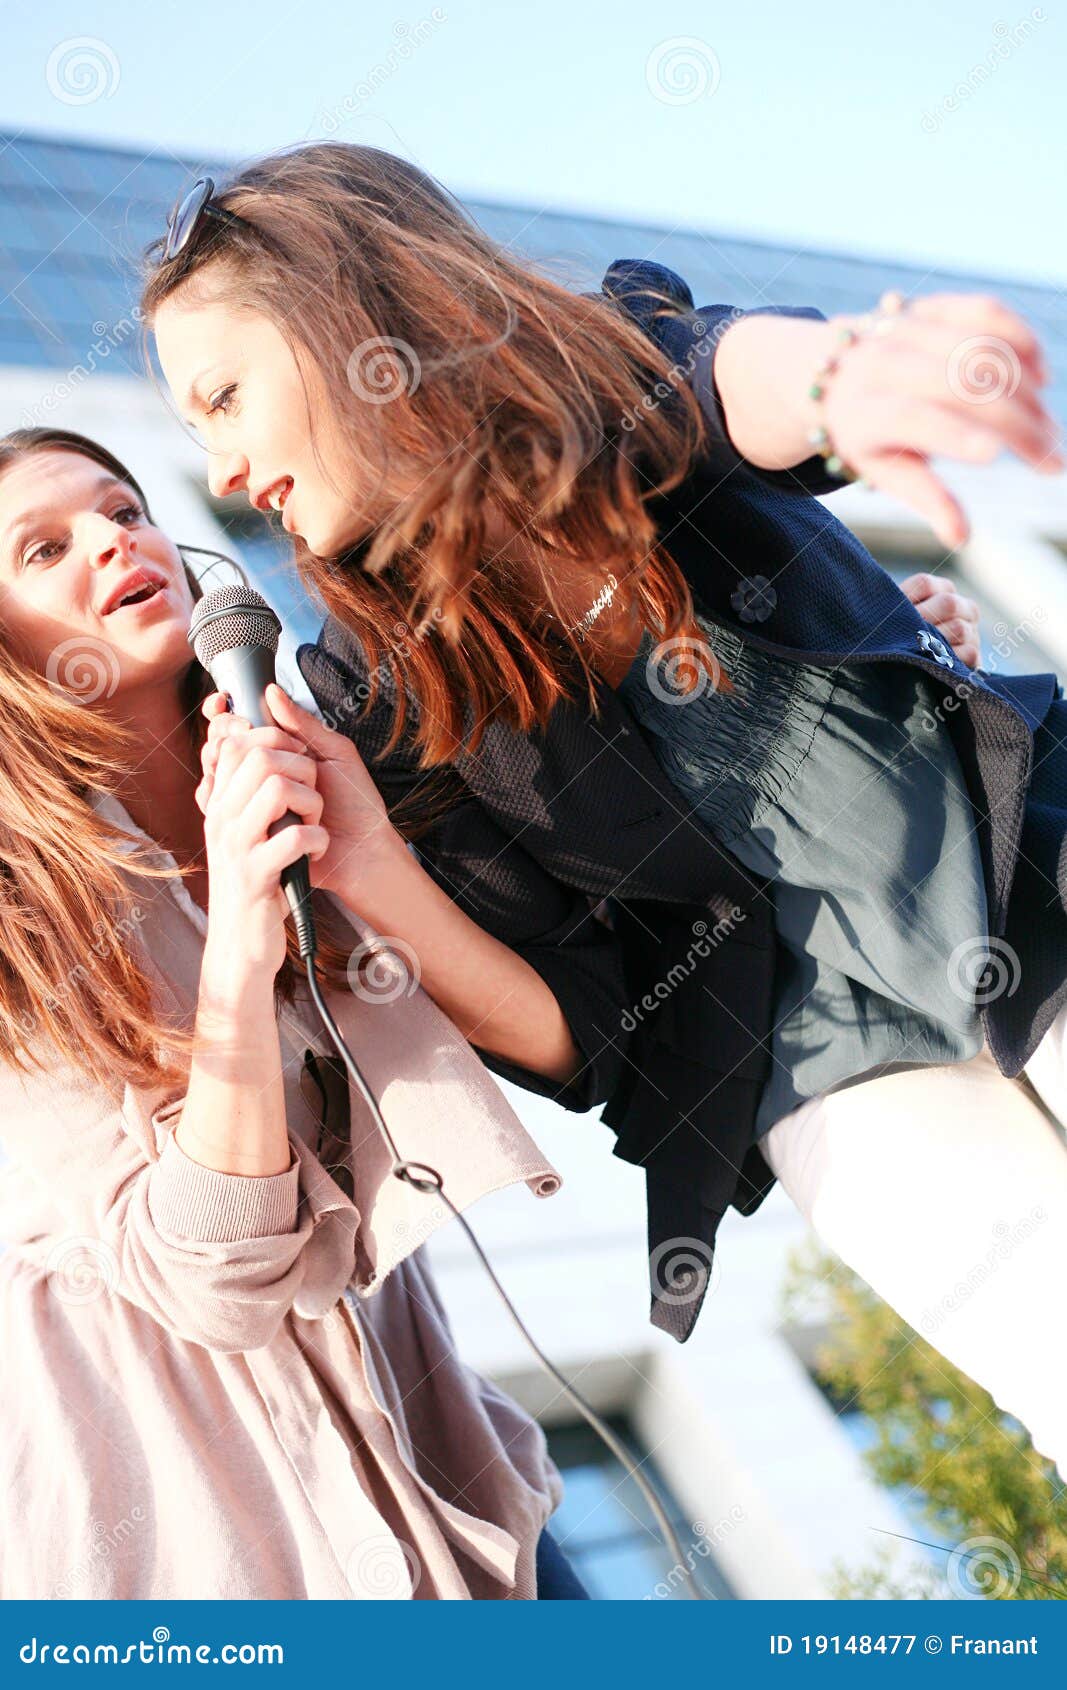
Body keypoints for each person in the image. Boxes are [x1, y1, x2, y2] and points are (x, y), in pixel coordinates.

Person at [142, 143, 1067, 1480]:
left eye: (225, 396)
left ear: (331, 313)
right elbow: (578, 1030)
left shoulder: (593, 373)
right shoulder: (370, 698)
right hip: (835, 1078)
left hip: (1020, 871)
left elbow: (709, 380)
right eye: (198, 432)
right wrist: (372, 866)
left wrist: (829, 381)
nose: (228, 470)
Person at [0, 425, 591, 1600]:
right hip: (205, 1550)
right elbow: (214, 1271)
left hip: (438, 1488)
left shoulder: (314, 765)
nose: (115, 540)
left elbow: (557, 1036)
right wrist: (239, 941)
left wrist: (370, 869)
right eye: (44, 548)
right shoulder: (23, 918)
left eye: (122, 509)